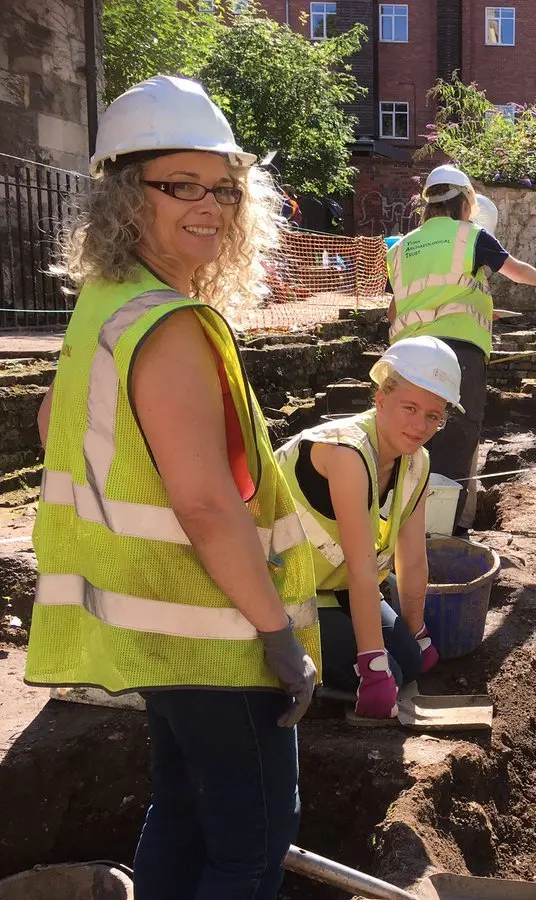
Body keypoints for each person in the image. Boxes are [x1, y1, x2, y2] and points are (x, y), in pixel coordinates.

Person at [25, 75, 318, 898]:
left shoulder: (106, 306)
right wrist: (279, 638)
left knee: (184, 812)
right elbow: (202, 504)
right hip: (216, 634)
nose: (209, 206)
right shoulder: (172, 326)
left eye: (223, 188)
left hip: (154, 627)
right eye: (178, 185)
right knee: (252, 845)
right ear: (126, 195)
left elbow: (57, 423)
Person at [275, 337, 462, 718]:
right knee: (387, 671)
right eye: (409, 408)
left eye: (432, 416)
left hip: (334, 587)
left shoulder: (415, 463)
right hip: (281, 592)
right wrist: (373, 666)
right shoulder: (345, 451)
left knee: (408, 662)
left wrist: (416, 630)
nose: (420, 425)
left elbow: (413, 559)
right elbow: (362, 569)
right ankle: (281, 677)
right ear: (380, 400)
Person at [386, 164, 536, 531]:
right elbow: (515, 270)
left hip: (406, 356)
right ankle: (444, 537)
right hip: (457, 355)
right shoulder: (471, 236)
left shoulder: (402, 248)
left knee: (406, 438)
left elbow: (398, 307)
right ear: (466, 203)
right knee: (454, 437)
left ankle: (399, 531)